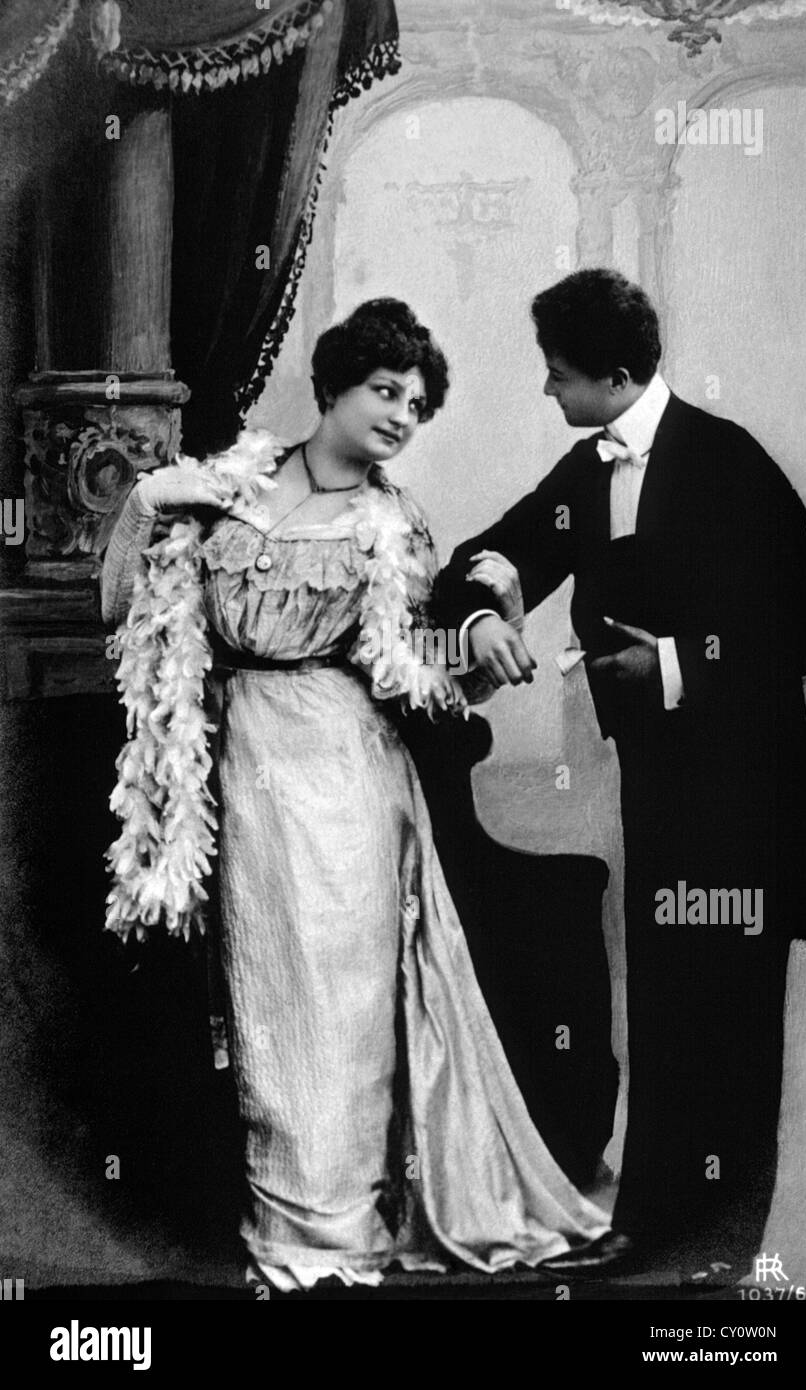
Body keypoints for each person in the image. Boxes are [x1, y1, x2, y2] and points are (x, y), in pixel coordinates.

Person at [100, 298, 609, 1292]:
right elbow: (123, 613)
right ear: (333, 387)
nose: (399, 415)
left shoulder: (393, 523)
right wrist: (143, 501)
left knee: (350, 1005)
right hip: (245, 773)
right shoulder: (226, 493)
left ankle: (345, 1237)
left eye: (416, 404)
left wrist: (480, 637)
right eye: (384, 391)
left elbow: (405, 665)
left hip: (351, 779)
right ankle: (287, 1223)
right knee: (271, 1003)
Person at [436, 269, 806, 1277]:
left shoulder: (729, 462)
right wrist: (484, 610)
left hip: (745, 789)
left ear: (613, 374)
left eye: (556, 374)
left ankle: (721, 1239)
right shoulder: (585, 469)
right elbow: (497, 550)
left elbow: (802, 622)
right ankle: (651, 1222)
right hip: (660, 785)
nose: (545, 391)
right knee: (660, 990)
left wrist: (661, 666)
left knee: (730, 1003)